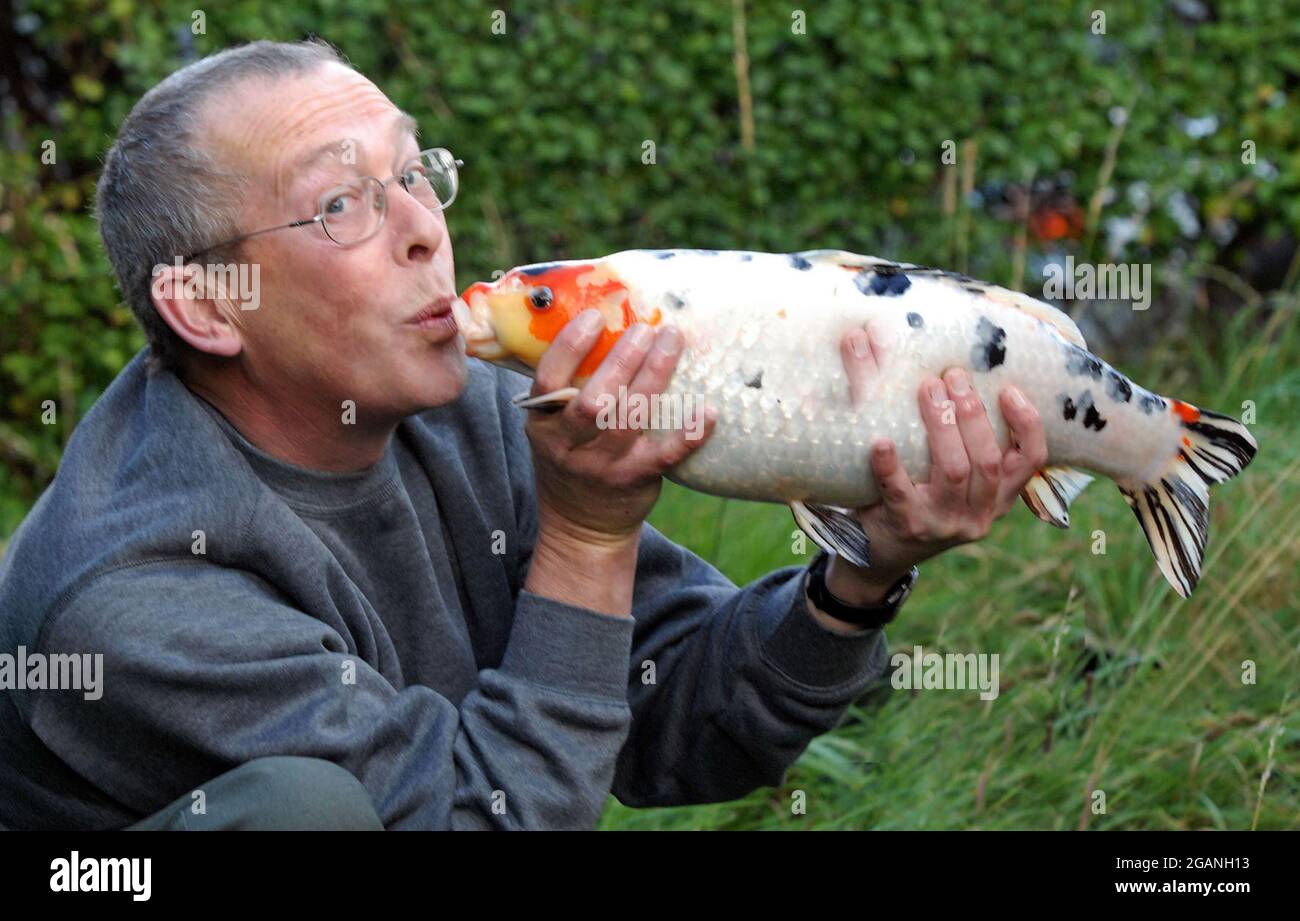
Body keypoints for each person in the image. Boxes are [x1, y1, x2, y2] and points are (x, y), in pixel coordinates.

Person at [0, 40, 1048, 830]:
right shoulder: (138, 599)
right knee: (301, 814)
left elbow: (671, 722)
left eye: (415, 174)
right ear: (209, 307)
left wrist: (860, 572)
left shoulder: (472, 407)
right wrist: (584, 544)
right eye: (339, 205)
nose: (424, 228)